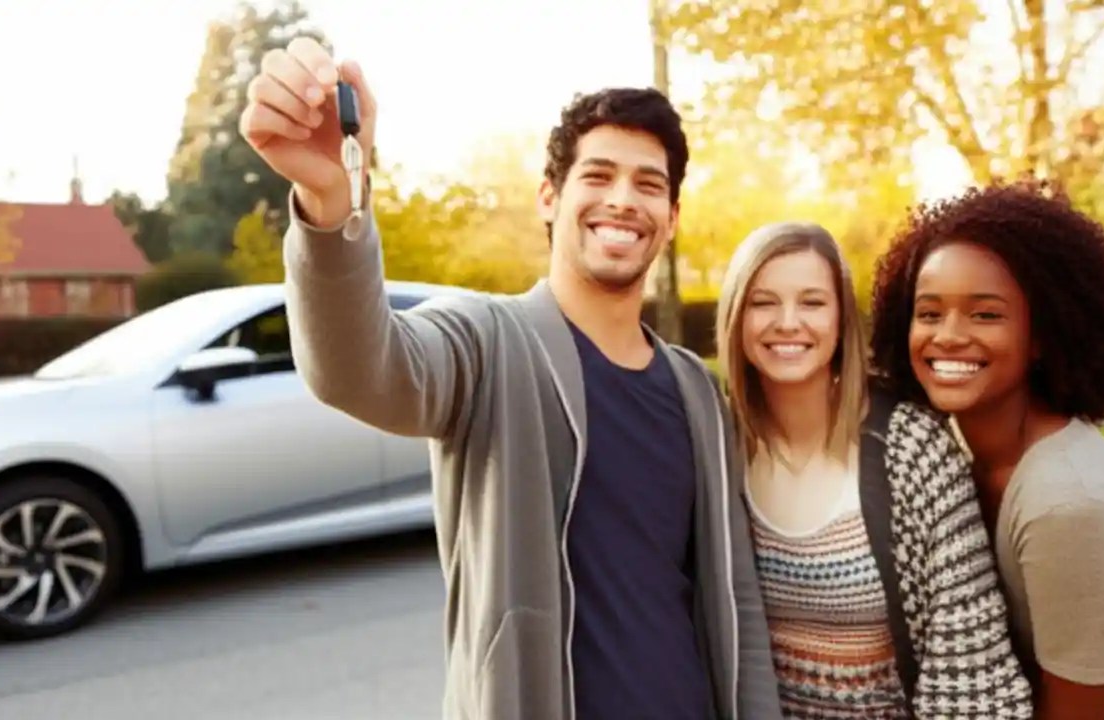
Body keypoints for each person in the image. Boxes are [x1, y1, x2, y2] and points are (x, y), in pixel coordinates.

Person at [238, 37, 783, 720]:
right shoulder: (487, 341)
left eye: (649, 185)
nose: (622, 200)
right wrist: (333, 201)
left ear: (671, 219)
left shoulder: (696, 392)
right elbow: (356, 371)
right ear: (550, 197)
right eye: (598, 176)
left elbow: (737, 598)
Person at [715, 221, 1034, 718]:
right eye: (763, 302)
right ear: (735, 317)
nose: (788, 322)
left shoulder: (910, 448)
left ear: (842, 318)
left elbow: (968, 663)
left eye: (813, 302)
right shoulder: (718, 448)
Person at [869, 178, 1104, 719]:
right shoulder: (960, 456)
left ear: (1042, 335)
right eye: (928, 313)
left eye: (985, 314)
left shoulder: (1068, 502)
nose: (947, 335)